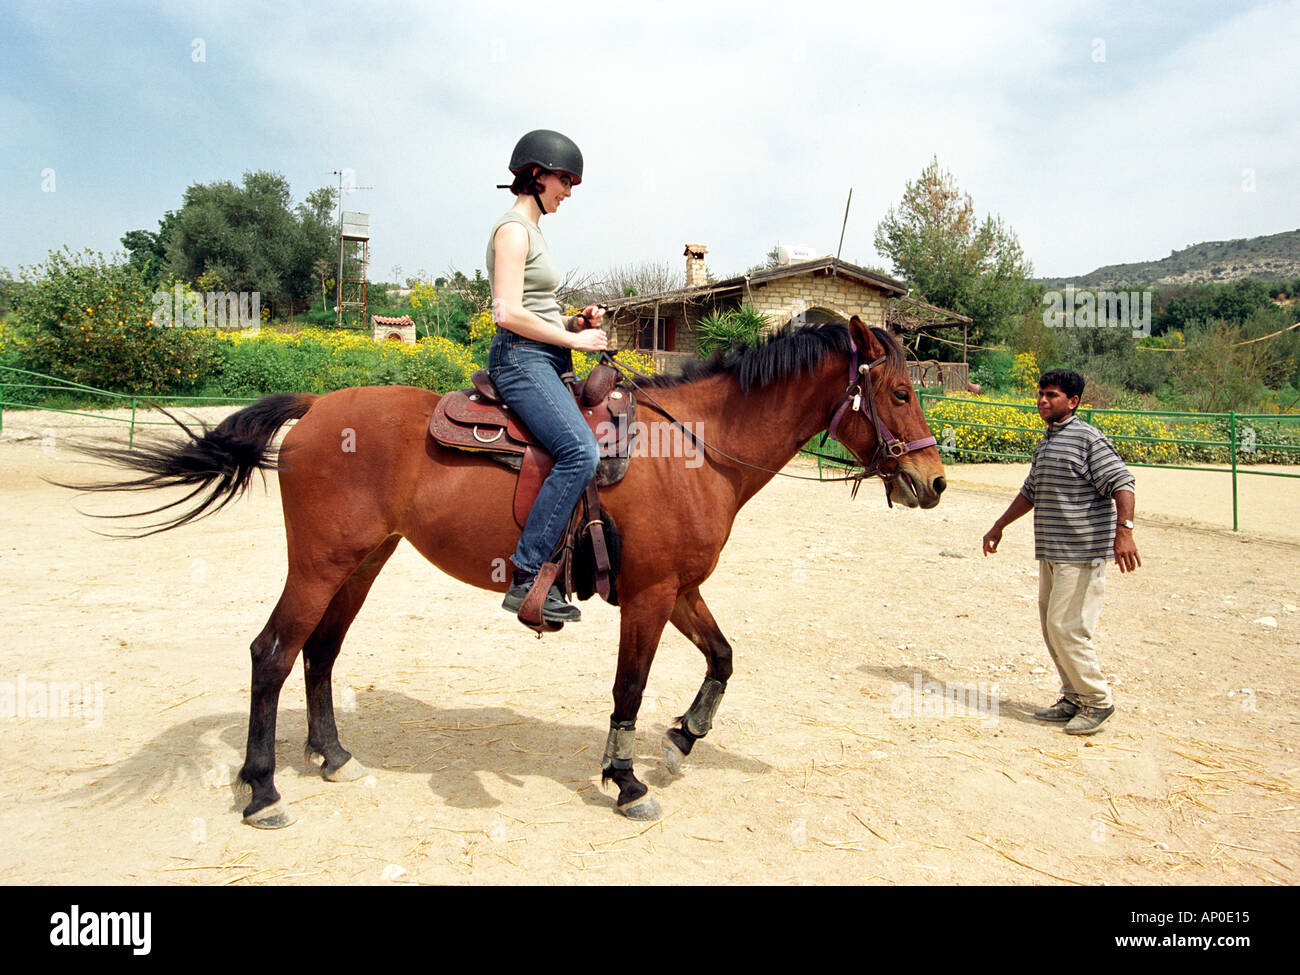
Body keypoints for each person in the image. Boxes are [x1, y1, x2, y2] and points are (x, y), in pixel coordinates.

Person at [486, 129, 609, 624]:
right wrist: (576, 342)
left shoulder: (536, 232)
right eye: (564, 180)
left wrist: (573, 323)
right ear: (536, 176)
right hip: (521, 358)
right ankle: (528, 575)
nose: (568, 192)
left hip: (545, 352)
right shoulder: (513, 230)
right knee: (581, 451)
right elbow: (507, 312)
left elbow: (538, 311)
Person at [981, 369, 1140, 735]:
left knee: (1067, 627)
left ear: (1073, 402)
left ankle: (1097, 701)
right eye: (1040, 393)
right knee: (1052, 627)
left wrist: (1125, 531)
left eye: (1051, 395)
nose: (1042, 401)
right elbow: (1030, 492)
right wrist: (998, 526)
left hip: (1081, 551)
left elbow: (1122, 481)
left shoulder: (1088, 439)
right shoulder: (1048, 441)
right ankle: (1073, 697)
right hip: (1051, 549)